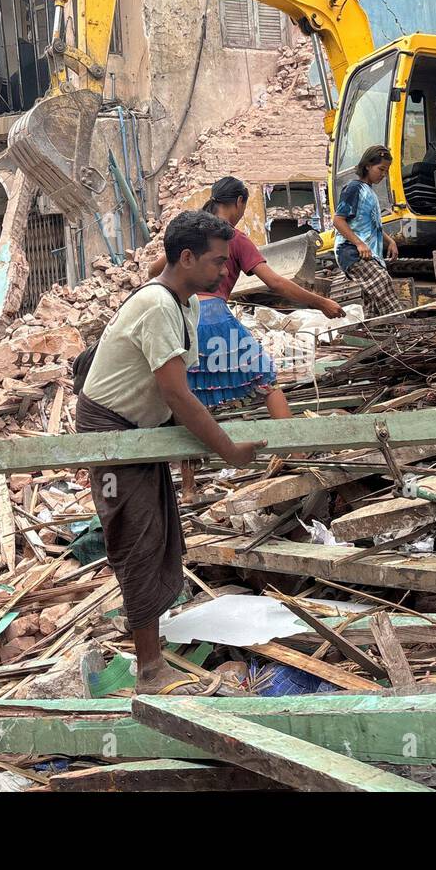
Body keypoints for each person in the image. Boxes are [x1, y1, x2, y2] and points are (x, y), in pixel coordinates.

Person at [77, 210, 265, 696]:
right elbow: (178, 393)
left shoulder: (187, 305)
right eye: (217, 261)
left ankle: (153, 653)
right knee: (138, 539)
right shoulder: (160, 305)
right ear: (185, 258)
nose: (226, 271)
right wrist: (226, 449)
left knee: (161, 537)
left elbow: (175, 391)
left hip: (143, 428)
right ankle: (149, 671)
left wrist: (186, 442)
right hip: (112, 432)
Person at [150, 176, 345, 419]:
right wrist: (321, 302)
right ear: (240, 202)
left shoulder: (193, 236)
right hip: (214, 317)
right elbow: (275, 282)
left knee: (186, 390)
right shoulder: (234, 238)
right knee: (266, 381)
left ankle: (187, 458)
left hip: (181, 317)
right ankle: (295, 449)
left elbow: (152, 271)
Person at [332, 144, 405, 318]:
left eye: (386, 171)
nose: (383, 174)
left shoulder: (370, 192)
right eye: (380, 169)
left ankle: (376, 336)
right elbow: (337, 220)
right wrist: (359, 243)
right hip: (351, 251)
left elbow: (373, 224)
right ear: (367, 166)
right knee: (382, 281)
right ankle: (400, 326)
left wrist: (390, 241)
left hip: (368, 253)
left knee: (373, 302)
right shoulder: (354, 189)